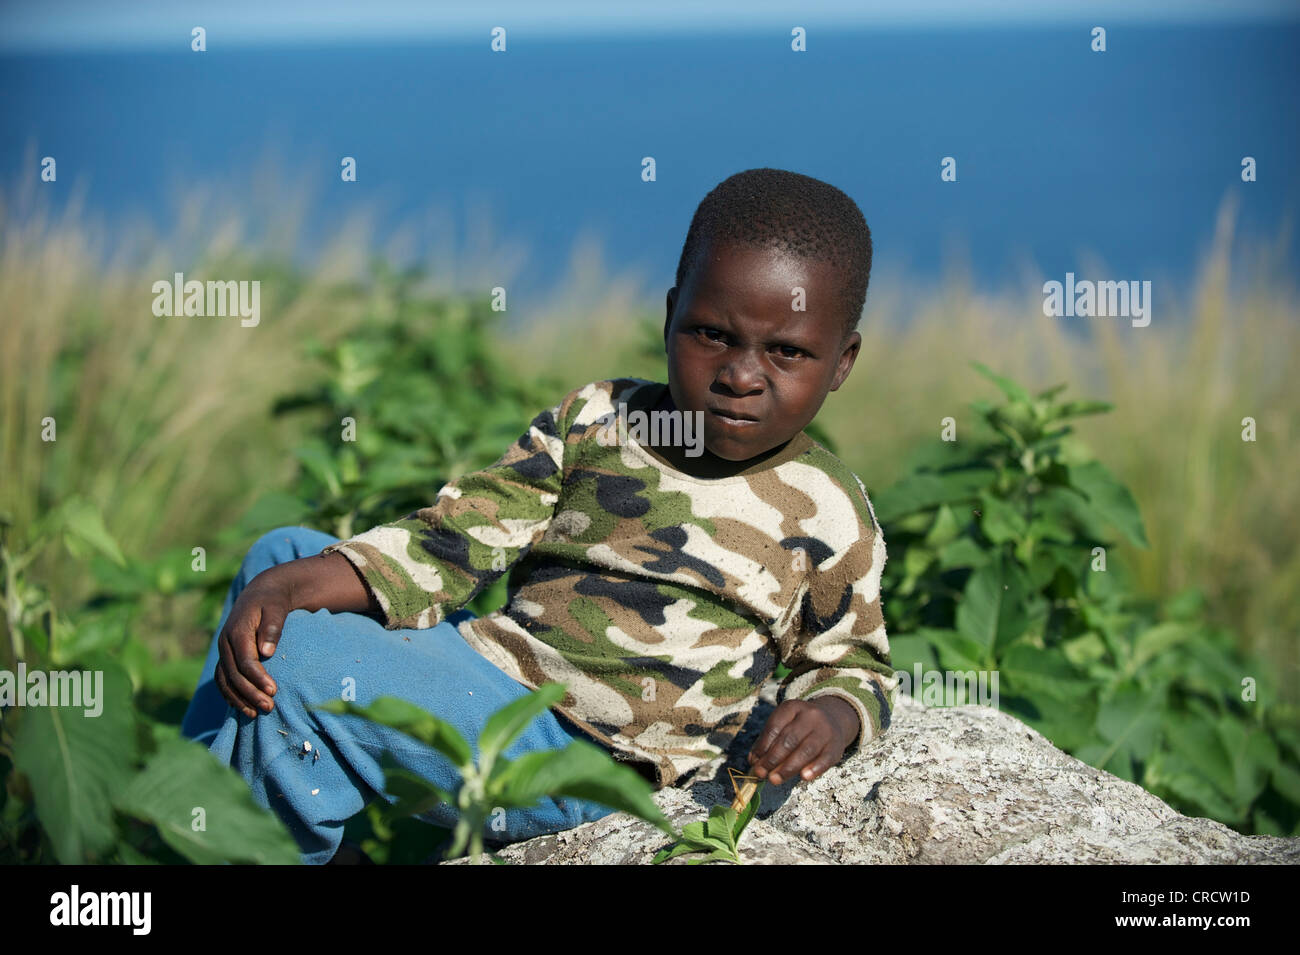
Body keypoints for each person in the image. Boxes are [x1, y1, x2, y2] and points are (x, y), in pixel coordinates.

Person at [181, 167, 899, 864]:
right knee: (278, 562)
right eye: (712, 334)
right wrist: (306, 579)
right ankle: (205, 819)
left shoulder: (829, 507)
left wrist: (834, 715)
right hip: (501, 671)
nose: (741, 374)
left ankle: (230, 839)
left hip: (590, 755)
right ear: (671, 313)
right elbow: (455, 538)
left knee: (299, 660)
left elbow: (855, 663)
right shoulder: (598, 419)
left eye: (787, 352)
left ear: (842, 360)